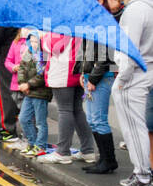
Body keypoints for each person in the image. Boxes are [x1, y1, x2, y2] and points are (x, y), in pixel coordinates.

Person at [110, 0, 153, 186]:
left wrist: (123, 79)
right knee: (137, 127)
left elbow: (129, 49)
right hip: (146, 70)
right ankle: (141, 173)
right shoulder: (149, 4)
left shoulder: (135, 10)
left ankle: (143, 177)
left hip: (134, 74)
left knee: (133, 128)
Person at [78, 0, 119, 175]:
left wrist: (92, 78)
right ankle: (103, 159)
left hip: (102, 77)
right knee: (92, 120)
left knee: (99, 120)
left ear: (100, 1)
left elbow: (105, 57)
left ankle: (109, 161)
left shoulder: (105, 23)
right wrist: (81, 73)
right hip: (90, 76)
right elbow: (86, 51)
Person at [44, 31, 97, 165]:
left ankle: (62, 152)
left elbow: (54, 46)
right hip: (79, 71)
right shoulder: (82, 25)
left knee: (64, 110)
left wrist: (44, 37)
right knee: (77, 109)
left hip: (64, 71)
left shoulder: (63, 25)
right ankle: (88, 150)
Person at [15, 28, 52, 157]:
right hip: (29, 92)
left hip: (40, 93)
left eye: (36, 41)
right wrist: (21, 83)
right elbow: (21, 69)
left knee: (40, 122)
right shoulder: (28, 53)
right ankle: (32, 143)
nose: (34, 44)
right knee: (23, 118)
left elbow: (42, 75)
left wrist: (28, 84)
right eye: (31, 41)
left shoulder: (44, 55)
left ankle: (40, 145)